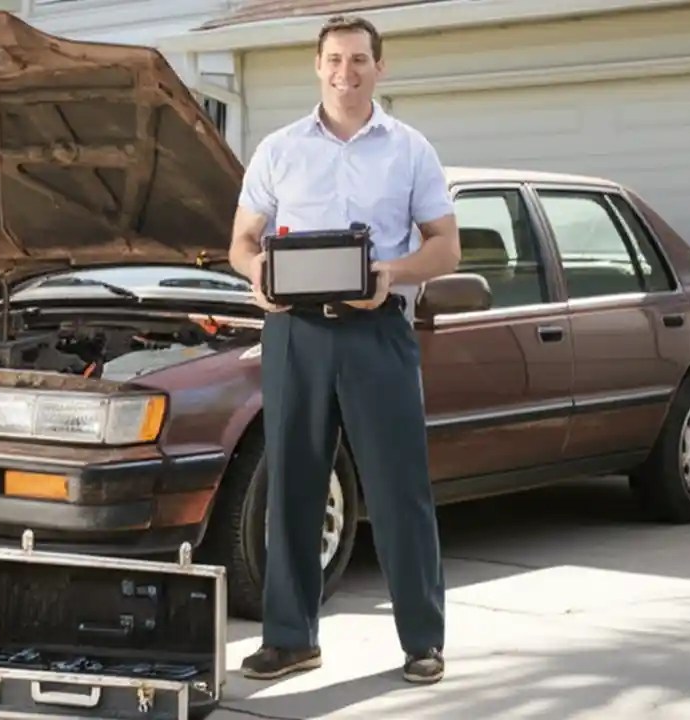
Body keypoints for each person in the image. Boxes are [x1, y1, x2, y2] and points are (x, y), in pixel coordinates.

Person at [228, 14, 461, 685]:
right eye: (334, 59)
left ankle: (423, 640)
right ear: (317, 65)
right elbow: (242, 242)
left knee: (398, 490)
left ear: (379, 68)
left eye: (359, 60)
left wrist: (390, 274)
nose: (345, 72)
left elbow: (446, 245)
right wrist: (257, 276)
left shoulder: (410, 148)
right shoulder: (279, 149)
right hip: (296, 334)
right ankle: (290, 638)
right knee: (293, 486)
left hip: (377, 330)